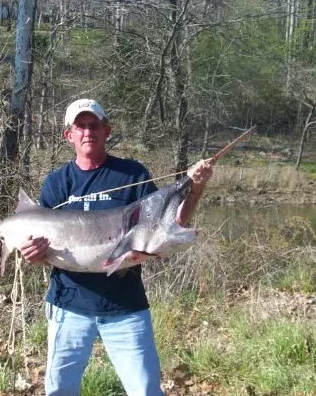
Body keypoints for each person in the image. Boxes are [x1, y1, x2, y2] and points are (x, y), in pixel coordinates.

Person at [20, 99, 213, 396]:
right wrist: (33, 254)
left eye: (94, 125)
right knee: (59, 391)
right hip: (68, 305)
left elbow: (173, 220)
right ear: (68, 135)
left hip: (126, 307)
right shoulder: (57, 182)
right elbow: (42, 249)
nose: (87, 132)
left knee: (146, 391)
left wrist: (195, 185)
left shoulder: (132, 174)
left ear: (106, 130)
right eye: (80, 126)